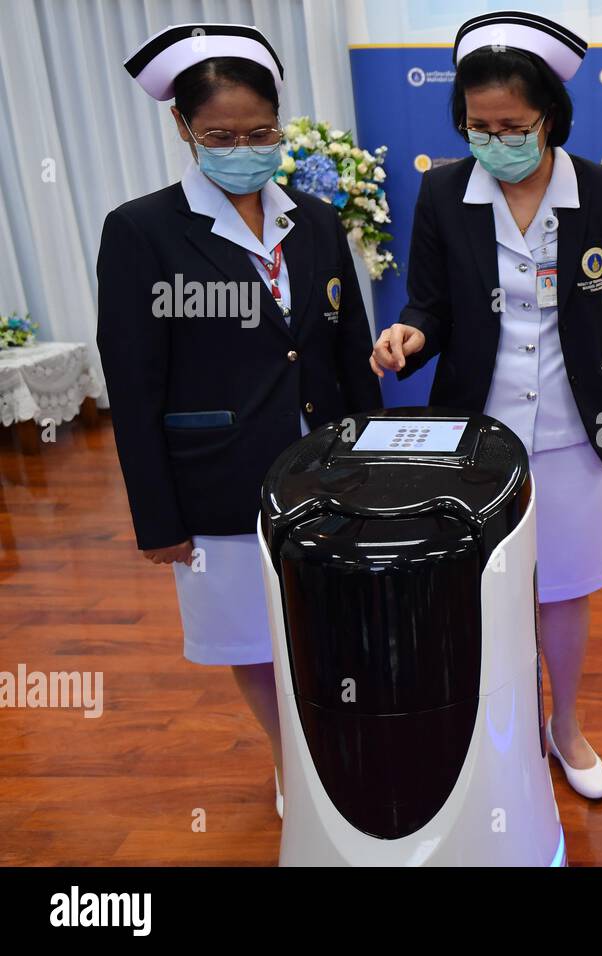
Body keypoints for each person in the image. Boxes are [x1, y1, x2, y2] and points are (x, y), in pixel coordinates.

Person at [370, 11, 602, 799]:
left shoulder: (600, 190)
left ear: (551, 118)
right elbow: (429, 303)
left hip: (573, 429)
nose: (496, 141)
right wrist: (408, 336)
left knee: (564, 587)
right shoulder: (441, 192)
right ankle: (502, 726)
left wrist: (584, 362)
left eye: (513, 126)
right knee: (483, 587)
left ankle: (566, 727)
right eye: (478, 127)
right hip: (475, 433)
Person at [98, 23, 382, 814]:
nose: (243, 148)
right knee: (251, 634)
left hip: (329, 471)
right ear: (182, 129)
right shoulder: (143, 232)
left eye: (260, 132)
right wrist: (158, 519)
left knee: (330, 626)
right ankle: (289, 755)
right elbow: (133, 380)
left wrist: (378, 466)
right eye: (220, 134)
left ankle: (333, 736)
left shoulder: (317, 221)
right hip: (218, 477)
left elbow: (348, 349)